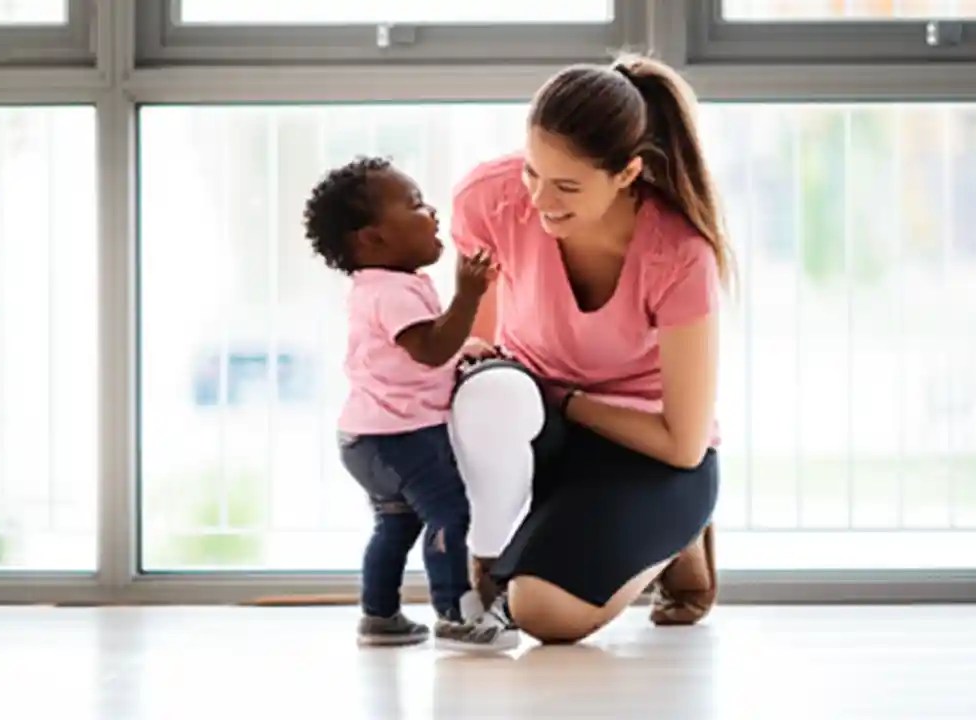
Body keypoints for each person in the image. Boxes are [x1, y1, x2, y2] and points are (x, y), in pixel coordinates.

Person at [443, 56, 729, 645]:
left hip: (647, 449)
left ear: (627, 173)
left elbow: (682, 442)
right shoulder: (490, 199)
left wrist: (566, 399)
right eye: (532, 172)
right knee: (488, 401)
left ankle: (681, 538)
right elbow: (479, 342)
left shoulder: (678, 255)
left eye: (567, 186)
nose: (540, 200)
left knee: (544, 612)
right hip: (542, 425)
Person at [302, 156, 518, 650]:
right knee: (450, 513)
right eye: (416, 204)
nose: (433, 213)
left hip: (368, 438)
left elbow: (415, 350)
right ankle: (456, 614)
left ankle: (379, 615)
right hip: (400, 436)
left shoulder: (381, 287)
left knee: (396, 524)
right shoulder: (392, 291)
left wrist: (463, 348)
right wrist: (468, 297)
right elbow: (429, 350)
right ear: (373, 239)